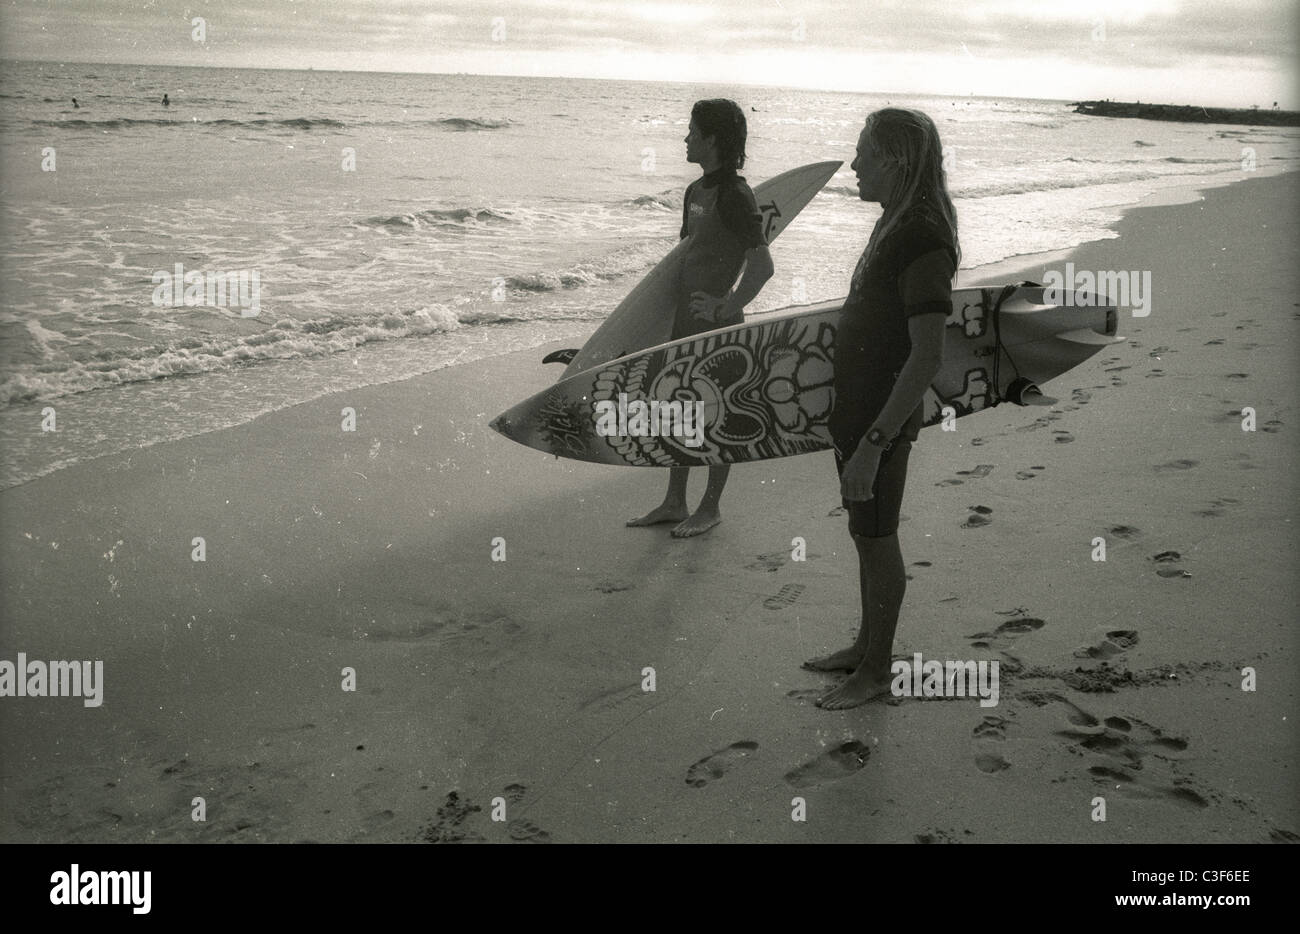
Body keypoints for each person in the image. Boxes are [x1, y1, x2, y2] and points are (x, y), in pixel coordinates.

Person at [806, 108, 959, 709]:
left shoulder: (923, 236)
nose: (854, 164)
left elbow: (926, 356)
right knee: (862, 531)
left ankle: (876, 672)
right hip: (860, 411)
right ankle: (865, 646)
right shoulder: (897, 222)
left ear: (896, 159)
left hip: (881, 420)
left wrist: (874, 443)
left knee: (878, 536)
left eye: (865, 152)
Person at [627, 98, 774, 538]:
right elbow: (684, 258)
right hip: (684, 324)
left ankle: (710, 507)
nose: (685, 138)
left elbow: (762, 266)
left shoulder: (735, 195)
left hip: (718, 329)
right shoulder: (695, 192)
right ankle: (675, 500)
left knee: (717, 417)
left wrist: (724, 307)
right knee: (678, 409)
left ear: (712, 139)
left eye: (692, 132)